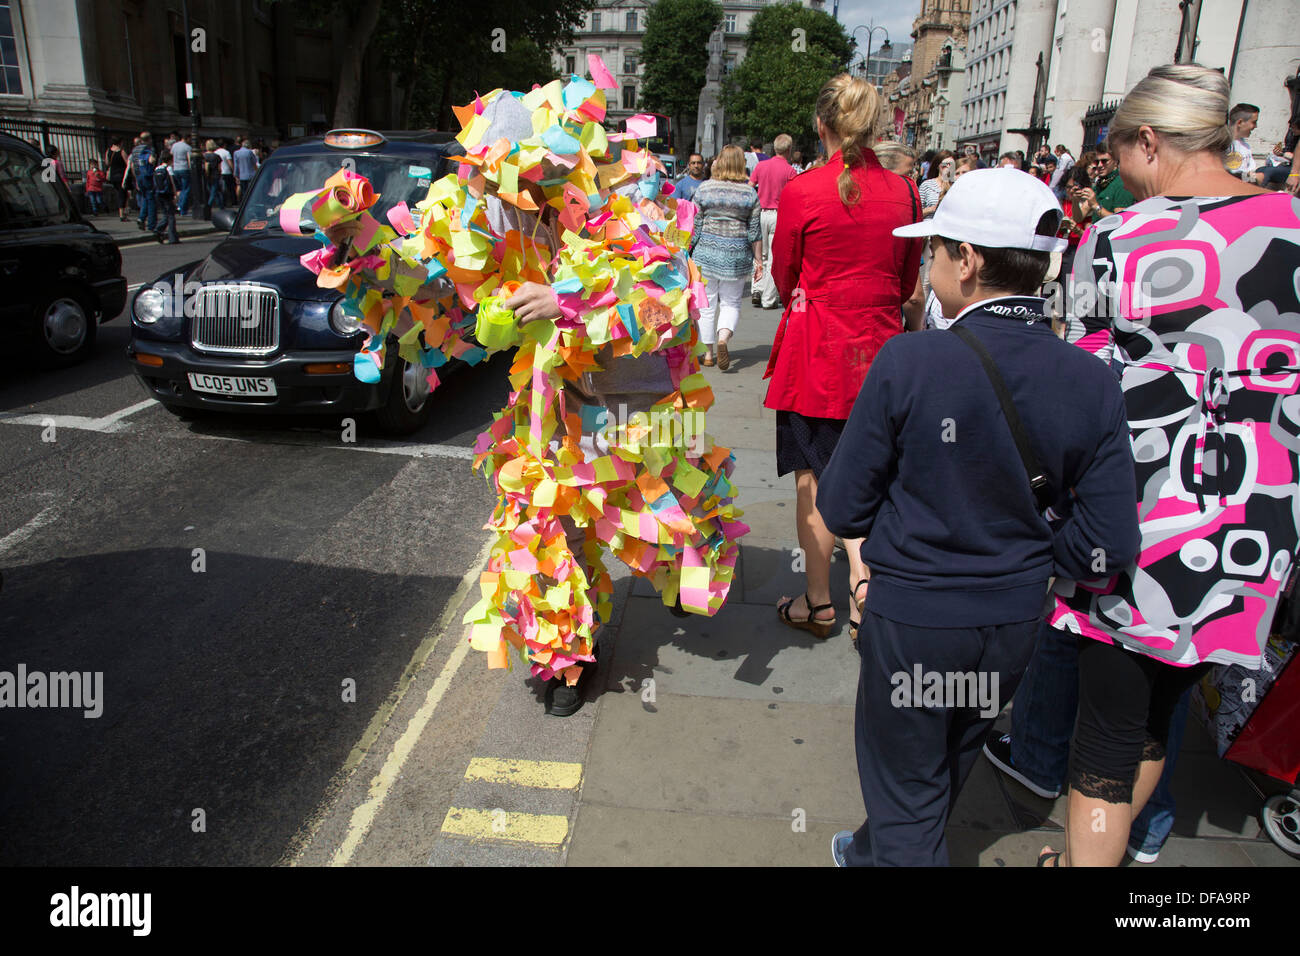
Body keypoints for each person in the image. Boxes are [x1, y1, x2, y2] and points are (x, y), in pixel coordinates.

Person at [307, 82, 743, 719]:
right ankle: (564, 658)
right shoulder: (481, 204)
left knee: (671, 511)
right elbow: (431, 282)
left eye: (521, 178)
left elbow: (673, 293)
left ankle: (690, 562)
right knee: (542, 520)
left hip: (636, 399)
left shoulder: (619, 192)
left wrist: (566, 302)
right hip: (549, 397)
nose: (507, 197)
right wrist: (360, 244)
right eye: (492, 178)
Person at [819, 166, 1139, 867]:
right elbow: (1108, 542)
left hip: (917, 618)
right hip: (1012, 622)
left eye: (933, 250)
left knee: (905, 781)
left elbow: (841, 504)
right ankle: (881, 851)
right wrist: (1031, 554)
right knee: (955, 748)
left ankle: (894, 851)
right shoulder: (1090, 377)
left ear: (966, 261)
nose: (926, 265)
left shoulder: (910, 360)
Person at [1031, 63, 1300, 868]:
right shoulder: (1293, 223)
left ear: (1150, 139)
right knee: (1165, 700)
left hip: (1141, 507)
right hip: (1256, 513)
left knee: (1110, 720)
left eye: (1123, 156)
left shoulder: (1120, 238)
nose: (1122, 176)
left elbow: (1075, 383)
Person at [764, 73, 922, 643]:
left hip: (817, 350)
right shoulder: (904, 192)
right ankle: (864, 583)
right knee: (873, 472)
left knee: (812, 475)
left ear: (821, 124)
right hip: (880, 352)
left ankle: (818, 601)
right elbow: (907, 281)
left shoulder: (804, 192)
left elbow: (785, 278)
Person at [691, 144, 762, 370]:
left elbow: (695, 225)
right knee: (731, 303)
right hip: (737, 254)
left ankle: (709, 353)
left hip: (706, 254)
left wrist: (688, 250)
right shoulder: (750, 193)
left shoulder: (704, 189)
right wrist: (759, 260)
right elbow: (755, 231)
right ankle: (723, 339)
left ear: (718, 162)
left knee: (706, 305)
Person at [749, 133, 797, 310]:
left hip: (760, 212)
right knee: (772, 257)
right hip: (778, 214)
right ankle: (768, 298)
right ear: (789, 150)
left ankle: (756, 289)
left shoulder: (761, 166)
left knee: (759, 254)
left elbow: (749, 186)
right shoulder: (790, 171)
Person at [1225, 102, 1260, 182]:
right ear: (1240, 123)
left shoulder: (1246, 147)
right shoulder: (1220, 144)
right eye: (1254, 122)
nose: (1255, 126)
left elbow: (1251, 176)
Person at [130, 131, 156, 232]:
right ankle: (152, 224)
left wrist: (136, 178)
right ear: (149, 139)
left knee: (145, 197)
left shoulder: (135, 150)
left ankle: (141, 218)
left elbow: (132, 165)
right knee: (151, 200)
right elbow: (151, 161)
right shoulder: (149, 149)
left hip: (139, 176)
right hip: (147, 176)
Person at [152, 157, 179, 244]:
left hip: (159, 194)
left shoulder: (157, 168)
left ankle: (158, 230)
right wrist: (175, 195)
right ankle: (172, 238)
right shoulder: (168, 168)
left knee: (166, 214)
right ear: (170, 160)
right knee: (171, 215)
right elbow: (172, 182)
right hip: (167, 194)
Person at [918, 151, 953, 218]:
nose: (948, 166)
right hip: (929, 224)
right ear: (938, 165)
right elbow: (916, 214)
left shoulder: (957, 185)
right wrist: (931, 209)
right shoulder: (927, 185)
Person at [104, 137, 129, 220]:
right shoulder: (122, 152)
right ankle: (122, 214)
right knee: (122, 194)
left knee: (119, 193)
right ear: (120, 142)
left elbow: (107, 163)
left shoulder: (108, 151)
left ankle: (123, 212)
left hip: (112, 176)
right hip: (121, 175)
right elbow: (127, 163)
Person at [170, 130, 192, 216]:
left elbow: (171, 155)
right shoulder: (187, 147)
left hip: (176, 168)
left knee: (179, 189)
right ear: (186, 138)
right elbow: (189, 159)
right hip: (184, 168)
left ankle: (178, 205)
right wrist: (191, 169)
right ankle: (183, 209)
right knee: (186, 189)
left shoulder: (174, 146)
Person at [203, 139, 224, 210]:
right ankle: (208, 205)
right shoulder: (217, 156)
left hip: (207, 175)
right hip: (215, 175)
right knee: (214, 191)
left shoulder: (204, 156)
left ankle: (221, 206)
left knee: (214, 191)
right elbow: (219, 168)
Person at [216, 139, 236, 205]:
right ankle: (232, 201)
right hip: (227, 172)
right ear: (224, 145)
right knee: (230, 188)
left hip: (220, 172)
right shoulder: (226, 152)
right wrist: (233, 171)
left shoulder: (216, 152)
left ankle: (222, 202)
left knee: (221, 189)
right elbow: (230, 162)